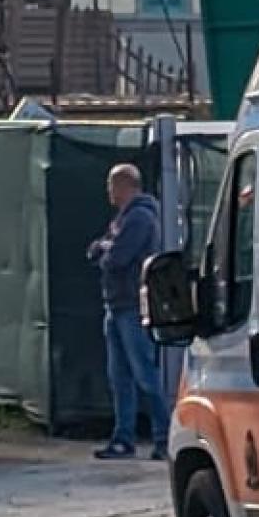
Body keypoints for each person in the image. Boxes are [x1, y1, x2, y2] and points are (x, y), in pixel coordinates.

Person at [88, 162, 166, 462]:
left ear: (125, 186)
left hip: (132, 306)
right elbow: (103, 249)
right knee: (119, 377)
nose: (108, 191)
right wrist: (106, 248)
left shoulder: (139, 218)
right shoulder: (122, 219)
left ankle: (163, 437)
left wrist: (105, 249)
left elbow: (116, 258)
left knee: (145, 374)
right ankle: (123, 439)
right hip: (116, 305)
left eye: (112, 185)